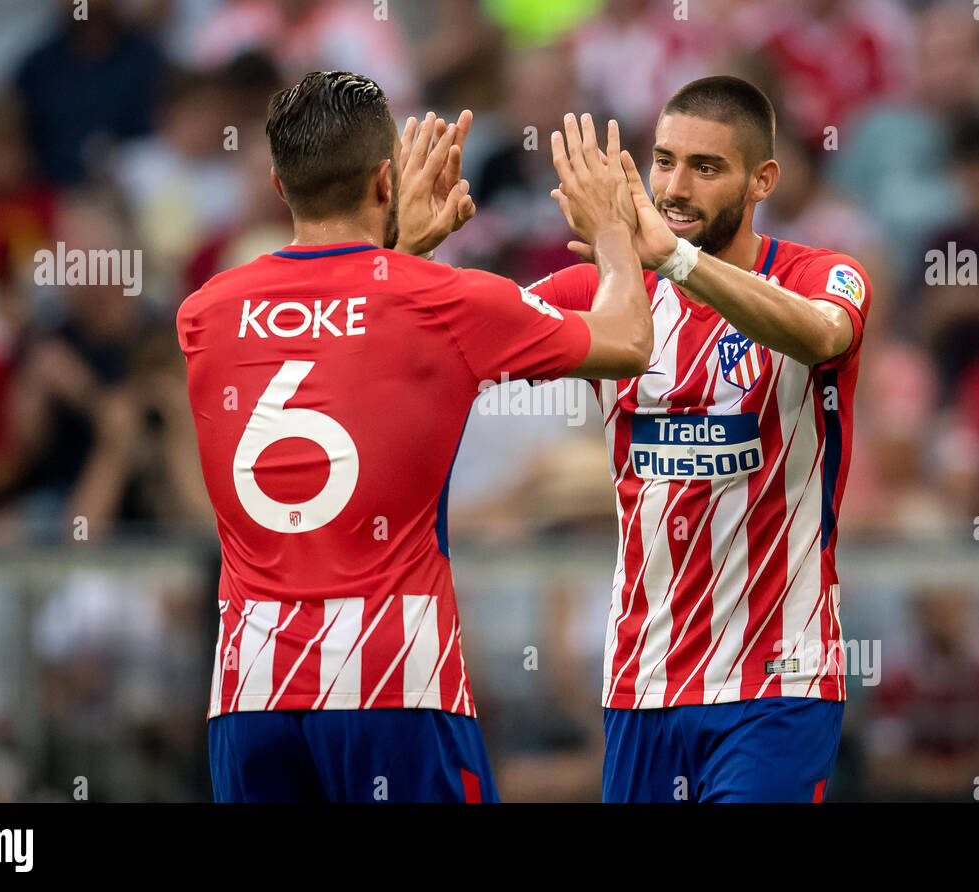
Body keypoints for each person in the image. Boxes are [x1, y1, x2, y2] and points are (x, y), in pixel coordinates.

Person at [176, 71, 651, 802]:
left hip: (251, 695)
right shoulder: (443, 303)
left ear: (278, 185)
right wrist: (613, 228)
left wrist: (400, 247)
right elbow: (626, 340)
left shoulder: (205, 313)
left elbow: (349, 348)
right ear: (385, 180)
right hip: (393, 683)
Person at [528, 75, 872, 802]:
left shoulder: (823, 276)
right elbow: (456, 339)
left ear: (762, 180)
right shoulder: (607, 292)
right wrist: (402, 252)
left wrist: (676, 262)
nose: (675, 187)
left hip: (780, 679)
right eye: (664, 161)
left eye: (705, 168)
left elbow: (819, 335)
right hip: (641, 684)